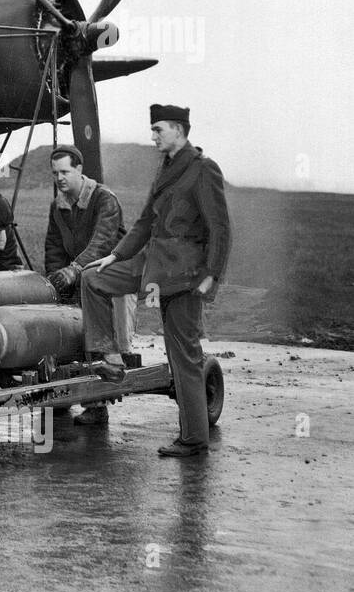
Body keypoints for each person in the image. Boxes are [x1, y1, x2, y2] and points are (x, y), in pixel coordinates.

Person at [80, 105, 231, 457]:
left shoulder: (203, 169)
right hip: (152, 264)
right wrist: (115, 256)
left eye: (158, 129)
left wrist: (211, 276)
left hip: (183, 275)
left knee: (184, 356)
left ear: (179, 130)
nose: (153, 137)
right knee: (93, 278)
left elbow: (220, 228)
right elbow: (146, 220)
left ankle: (194, 438)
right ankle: (112, 358)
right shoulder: (165, 167)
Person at [44, 144, 136, 425]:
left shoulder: (104, 199)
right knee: (61, 325)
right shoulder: (58, 206)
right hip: (80, 274)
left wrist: (74, 269)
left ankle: (97, 403)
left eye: (65, 171)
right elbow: (54, 246)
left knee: (92, 332)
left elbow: (103, 243)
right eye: (55, 172)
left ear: (79, 170)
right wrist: (54, 280)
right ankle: (60, 391)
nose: (60, 178)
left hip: (111, 274)